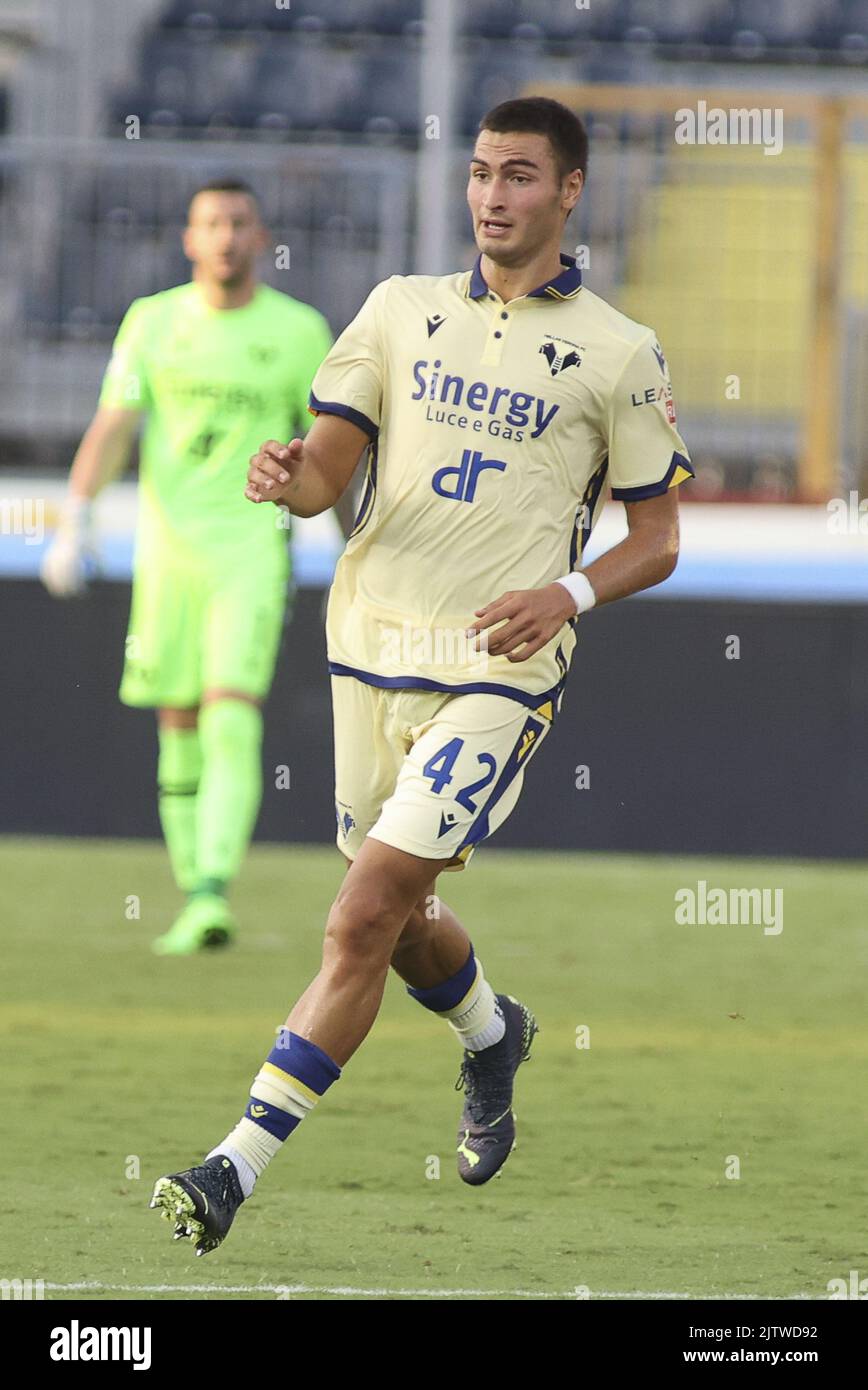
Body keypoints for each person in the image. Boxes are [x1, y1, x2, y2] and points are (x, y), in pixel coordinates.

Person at [150, 97, 693, 1254]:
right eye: (481, 173)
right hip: (368, 649)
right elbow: (321, 476)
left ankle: (232, 1166)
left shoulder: (619, 351)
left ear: (569, 192)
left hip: (500, 671)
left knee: (356, 917)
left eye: (520, 176)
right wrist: (282, 474)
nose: (493, 195)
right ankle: (493, 1034)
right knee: (400, 923)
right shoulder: (396, 313)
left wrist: (569, 592)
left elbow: (657, 538)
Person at [41, 179, 334, 954]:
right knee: (177, 719)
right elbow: (115, 424)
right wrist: (74, 519)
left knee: (230, 710)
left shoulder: (300, 332)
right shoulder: (154, 322)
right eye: (213, 223)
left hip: (251, 550)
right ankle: (191, 888)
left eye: (239, 222)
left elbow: (331, 451)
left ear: (259, 233)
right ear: (189, 239)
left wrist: (348, 542)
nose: (227, 237)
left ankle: (212, 894)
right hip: (168, 553)